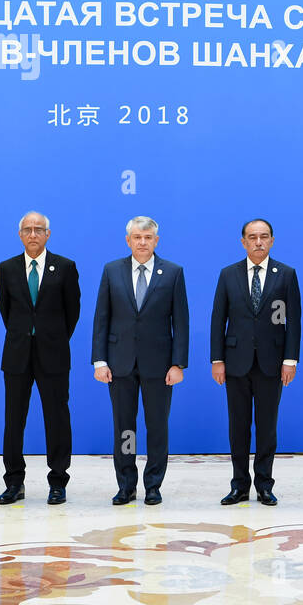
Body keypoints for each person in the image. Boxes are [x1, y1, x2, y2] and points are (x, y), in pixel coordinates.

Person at [92, 216, 189, 506]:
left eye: (148, 237)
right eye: (137, 237)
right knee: (125, 428)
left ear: (156, 240)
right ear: (128, 240)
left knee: (157, 427)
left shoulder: (172, 272)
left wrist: (178, 363)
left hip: (159, 366)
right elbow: (101, 318)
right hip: (119, 363)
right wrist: (100, 361)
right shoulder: (112, 271)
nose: (142, 242)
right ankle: (126, 485)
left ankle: (153, 485)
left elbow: (181, 322)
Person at [210, 219, 301, 506]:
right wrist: (217, 359)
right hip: (235, 363)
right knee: (238, 427)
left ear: (272, 240)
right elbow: (218, 319)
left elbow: (292, 321)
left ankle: (264, 485)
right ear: (243, 242)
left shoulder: (285, 274)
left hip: (271, 364)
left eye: (264, 237)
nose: (258, 242)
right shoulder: (228, 274)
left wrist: (290, 359)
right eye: (252, 237)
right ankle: (239, 485)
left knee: (266, 427)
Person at [0, 211, 80, 505]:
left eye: (39, 229)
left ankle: (58, 482)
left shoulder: (65, 267)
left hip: (53, 354)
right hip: (17, 354)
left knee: (57, 418)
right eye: (28, 229)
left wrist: (51, 337)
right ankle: (13, 482)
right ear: (20, 234)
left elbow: (72, 312)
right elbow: (5, 309)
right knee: (13, 419)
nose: (33, 234)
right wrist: (25, 333)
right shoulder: (7, 268)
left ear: (48, 234)